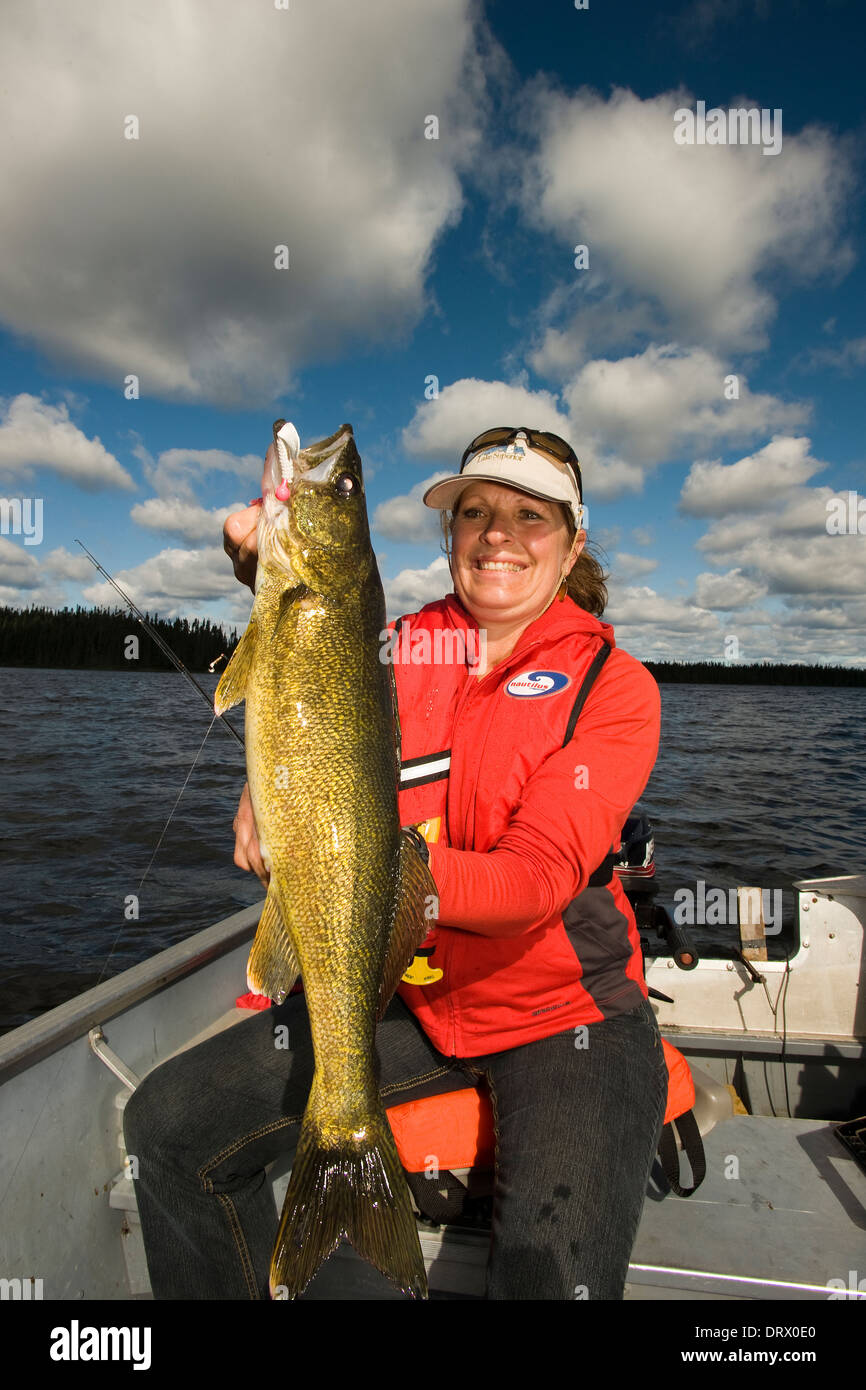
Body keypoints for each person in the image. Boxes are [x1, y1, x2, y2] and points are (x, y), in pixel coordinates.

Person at [124, 426, 667, 1301]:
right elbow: (316, 650)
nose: (497, 535)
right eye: (475, 513)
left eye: (530, 517)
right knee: (170, 1130)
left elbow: (532, 882)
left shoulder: (616, 687)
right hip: (405, 995)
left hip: (564, 1018)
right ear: (449, 538)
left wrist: (348, 856)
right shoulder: (397, 645)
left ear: (570, 550)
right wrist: (273, 781)